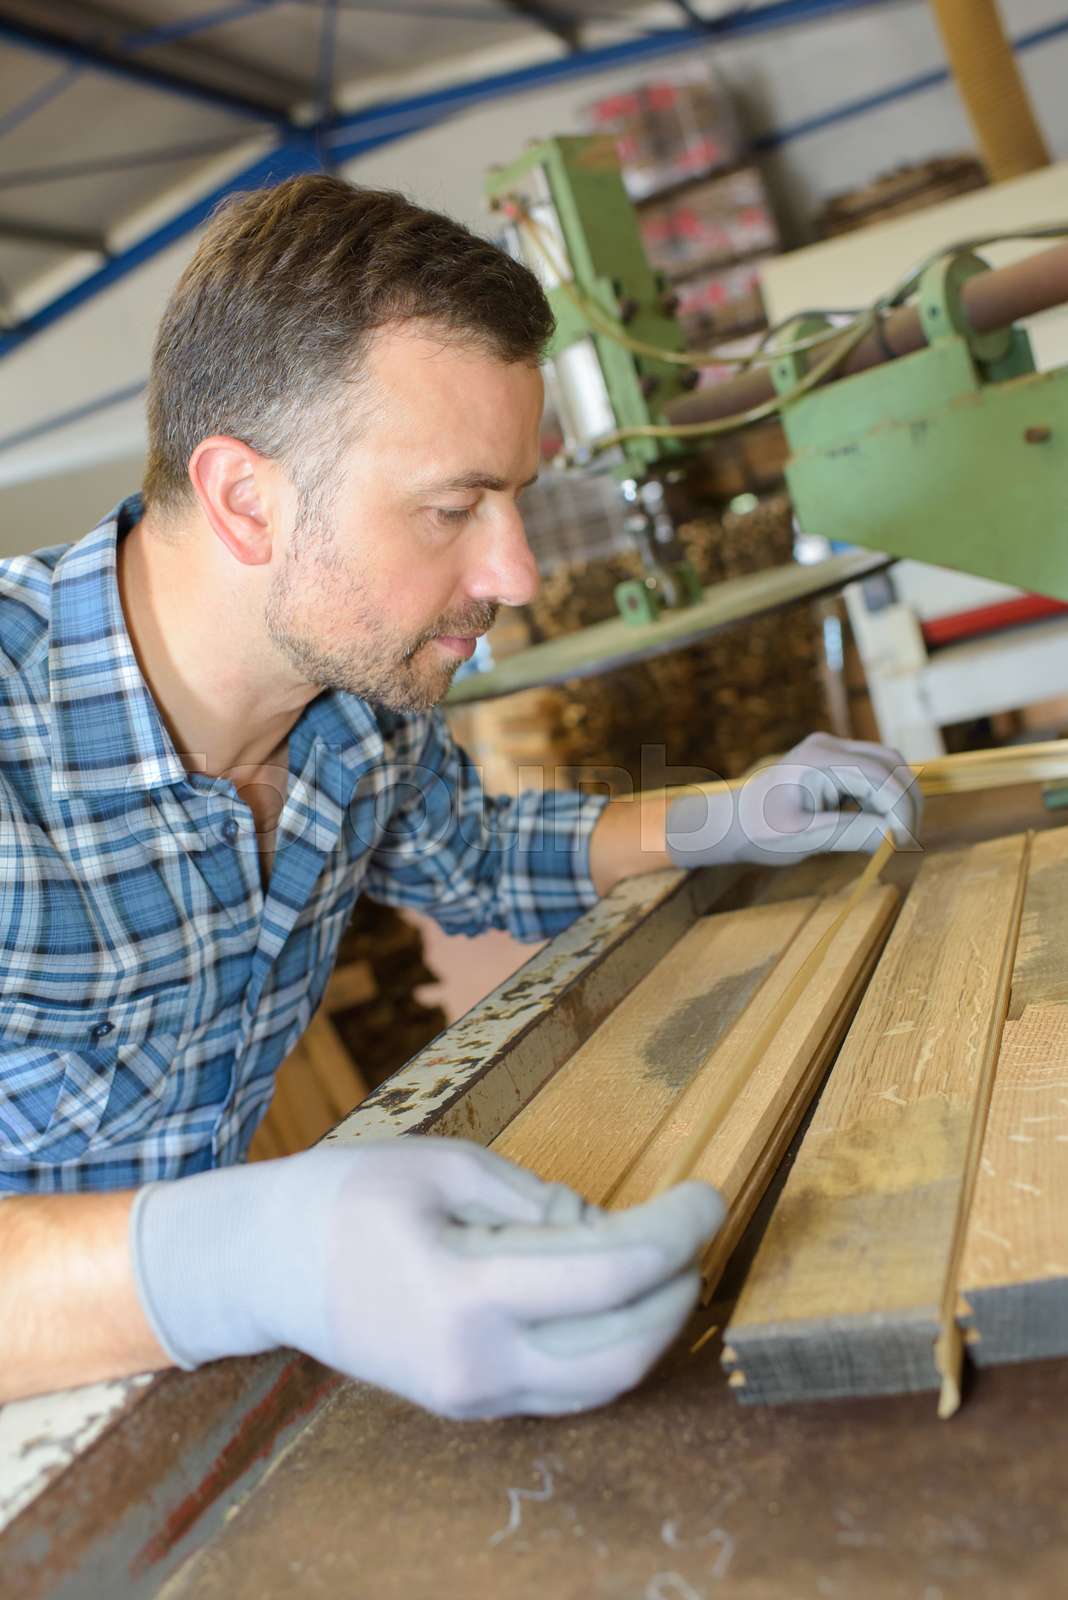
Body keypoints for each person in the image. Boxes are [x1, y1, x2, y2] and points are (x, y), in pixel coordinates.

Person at [0, 175, 918, 1418]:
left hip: (147, 1397)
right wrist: (246, 1258)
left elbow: (476, 855)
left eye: (515, 500)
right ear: (245, 500)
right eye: (453, 508)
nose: (518, 571)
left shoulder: (353, 710)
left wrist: (724, 816)